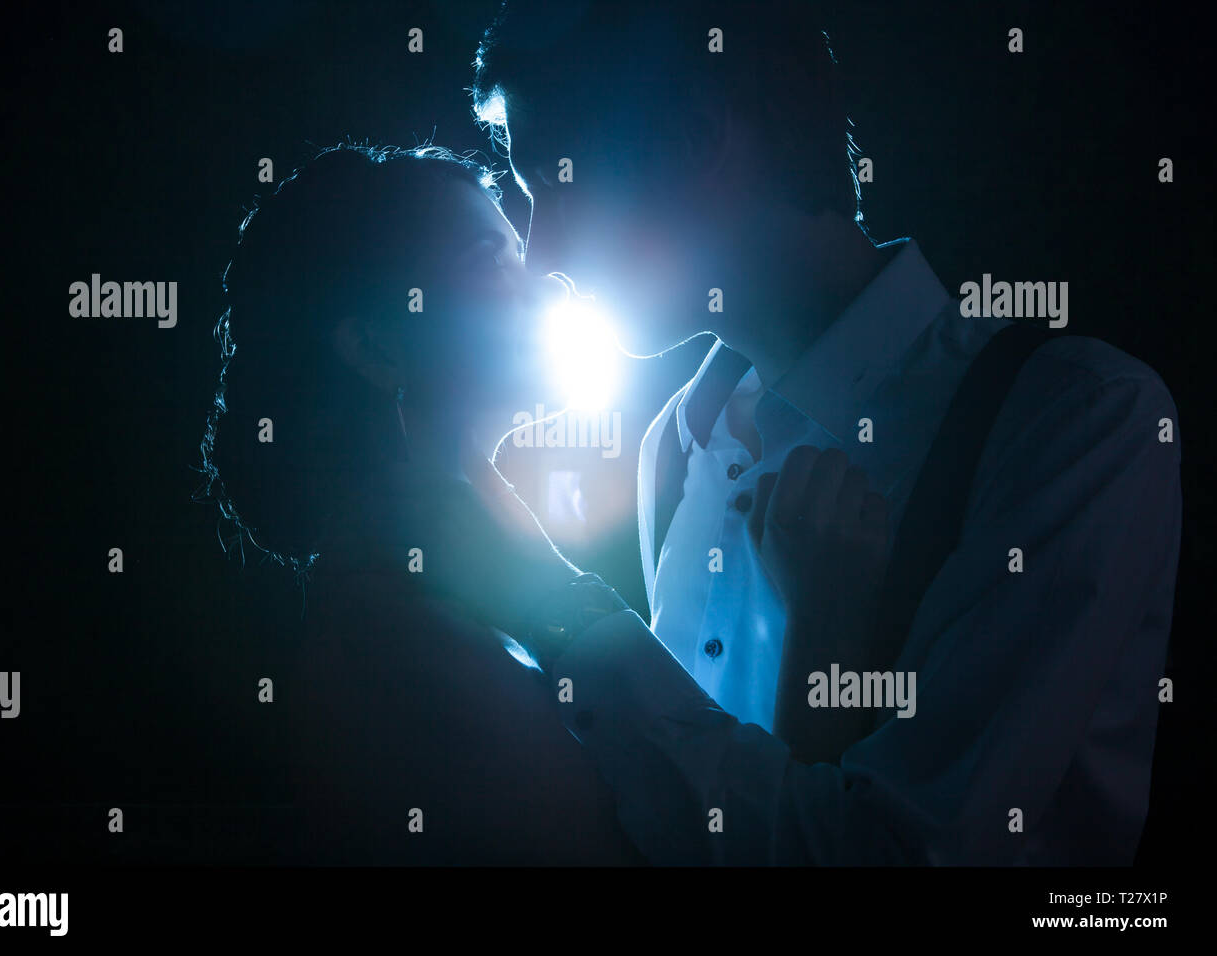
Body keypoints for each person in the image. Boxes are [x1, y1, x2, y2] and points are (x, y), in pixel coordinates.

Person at [378, 0, 1183, 864]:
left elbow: (893, 853)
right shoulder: (674, 444)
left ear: (695, 135)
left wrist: (560, 606)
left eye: (557, 183)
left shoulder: (1076, 421)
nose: (543, 257)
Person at [196, 141, 644, 864]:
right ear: (376, 347)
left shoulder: (418, 601)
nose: (553, 286)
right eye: (491, 262)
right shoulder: (401, 643)